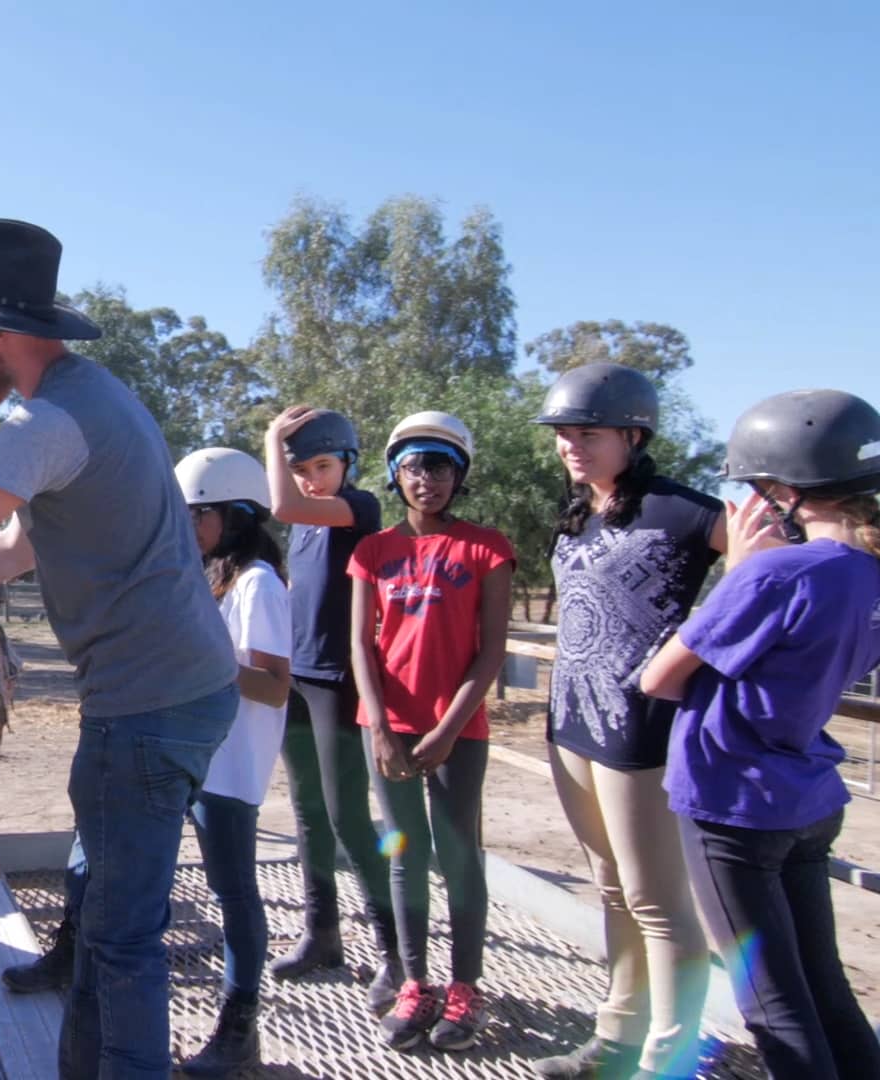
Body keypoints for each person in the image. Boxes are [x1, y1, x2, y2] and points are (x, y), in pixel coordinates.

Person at [0, 218, 239, 1080]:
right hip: (168, 691)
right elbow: (16, 547)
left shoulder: (47, 423)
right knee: (101, 886)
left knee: (125, 935)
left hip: (150, 703)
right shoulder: (85, 399)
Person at [641, 389, 880, 1080]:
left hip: (732, 804)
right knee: (824, 987)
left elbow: (659, 677)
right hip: (808, 796)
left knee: (773, 1005)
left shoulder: (778, 572)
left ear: (781, 490)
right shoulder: (867, 574)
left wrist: (738, 570)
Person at [530, 363, 722, 1080]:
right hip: (573, 723)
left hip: (640, 732)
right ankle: (616, 1036)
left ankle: (670, 1060)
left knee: (658, 900)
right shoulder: (579, 510)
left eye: (587, 433)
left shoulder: (687, 511)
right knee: (611, 890)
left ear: (633, 434)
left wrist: (701, 649)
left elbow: (772, 575)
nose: (570, 446)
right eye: (562, 435)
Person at [348, 411, 513, 1053]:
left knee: (459, 858)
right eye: (415, 465)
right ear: (396, 473)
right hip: (385, 728)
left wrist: (447, 728)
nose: (428, 479)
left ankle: (466, 987)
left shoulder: (486, 547)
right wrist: (382, 727)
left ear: (459, 475)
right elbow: (362, 648)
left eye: (441, 466)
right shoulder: (373, 552)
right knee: (405, 856)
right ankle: (415, 982)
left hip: (457, 730)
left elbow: (491, 650)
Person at [261, 406, 401, 1012]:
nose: (312, 479)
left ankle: (398, 956)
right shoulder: (307, 523)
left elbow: (284, 506)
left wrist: (270, 438)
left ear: (348, 462)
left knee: (347, 817)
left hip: (340, 683)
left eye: (322, 465)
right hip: (300, 676)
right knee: (307, 812)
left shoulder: (358, 507)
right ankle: (323, 934)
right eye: (301, 469)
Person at [171, 448, 292, 1078]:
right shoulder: (219, 580)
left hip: (232, 769)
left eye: (200, 515)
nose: (188, 527)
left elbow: (274, 684)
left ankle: (240, 1028)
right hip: (204, 760)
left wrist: (203, 654)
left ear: (237, 516)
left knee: (236, 895)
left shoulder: (260, 586)